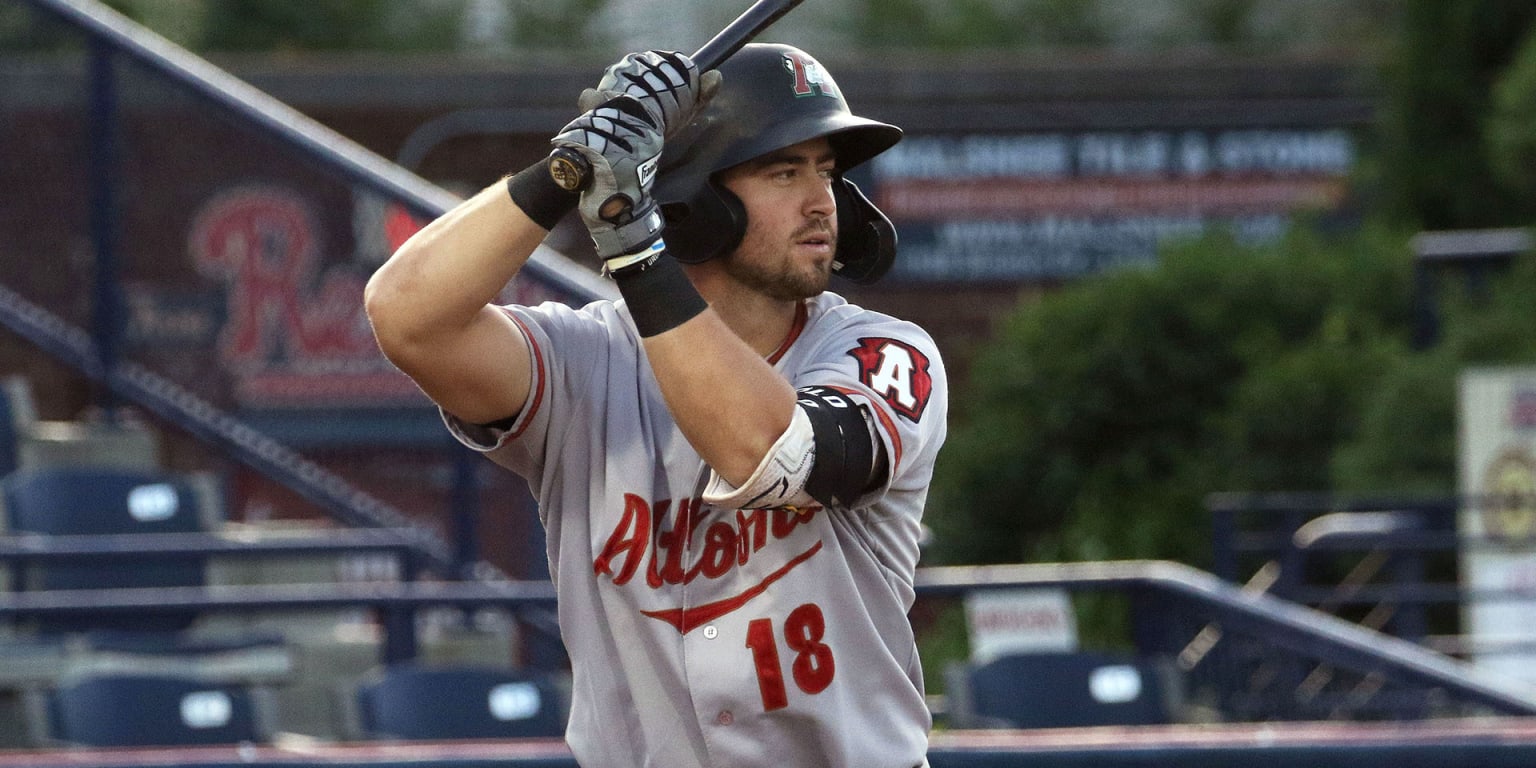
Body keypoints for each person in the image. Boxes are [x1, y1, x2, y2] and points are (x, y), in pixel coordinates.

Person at [365, 43, 947, 768]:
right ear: (695, 199)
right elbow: (405, 316)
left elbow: (774, 454)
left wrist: (637, 250)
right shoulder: (585, 358)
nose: (821, 200)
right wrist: (568, 168)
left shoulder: (884, 352)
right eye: (783, 170)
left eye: (825, 171)